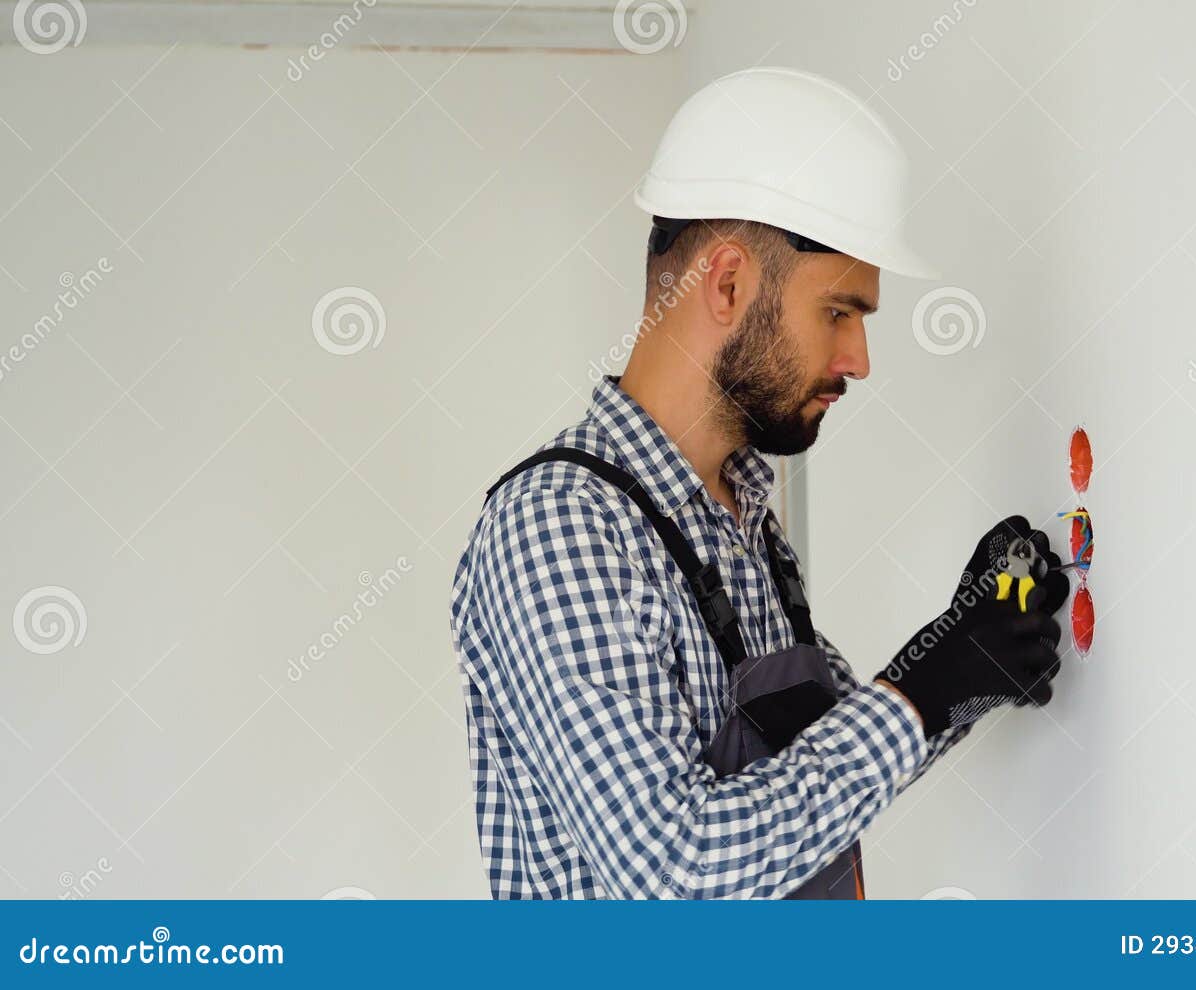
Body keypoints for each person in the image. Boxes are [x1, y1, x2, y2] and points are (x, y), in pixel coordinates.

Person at [449, 67, 1071, 899]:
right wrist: (923, 692)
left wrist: (966, 656)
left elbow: (829, 772)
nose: (858, 360)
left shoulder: (743, 522)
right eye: (838, 312)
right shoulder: (559, 526)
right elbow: (675, 870)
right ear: (729, 283)